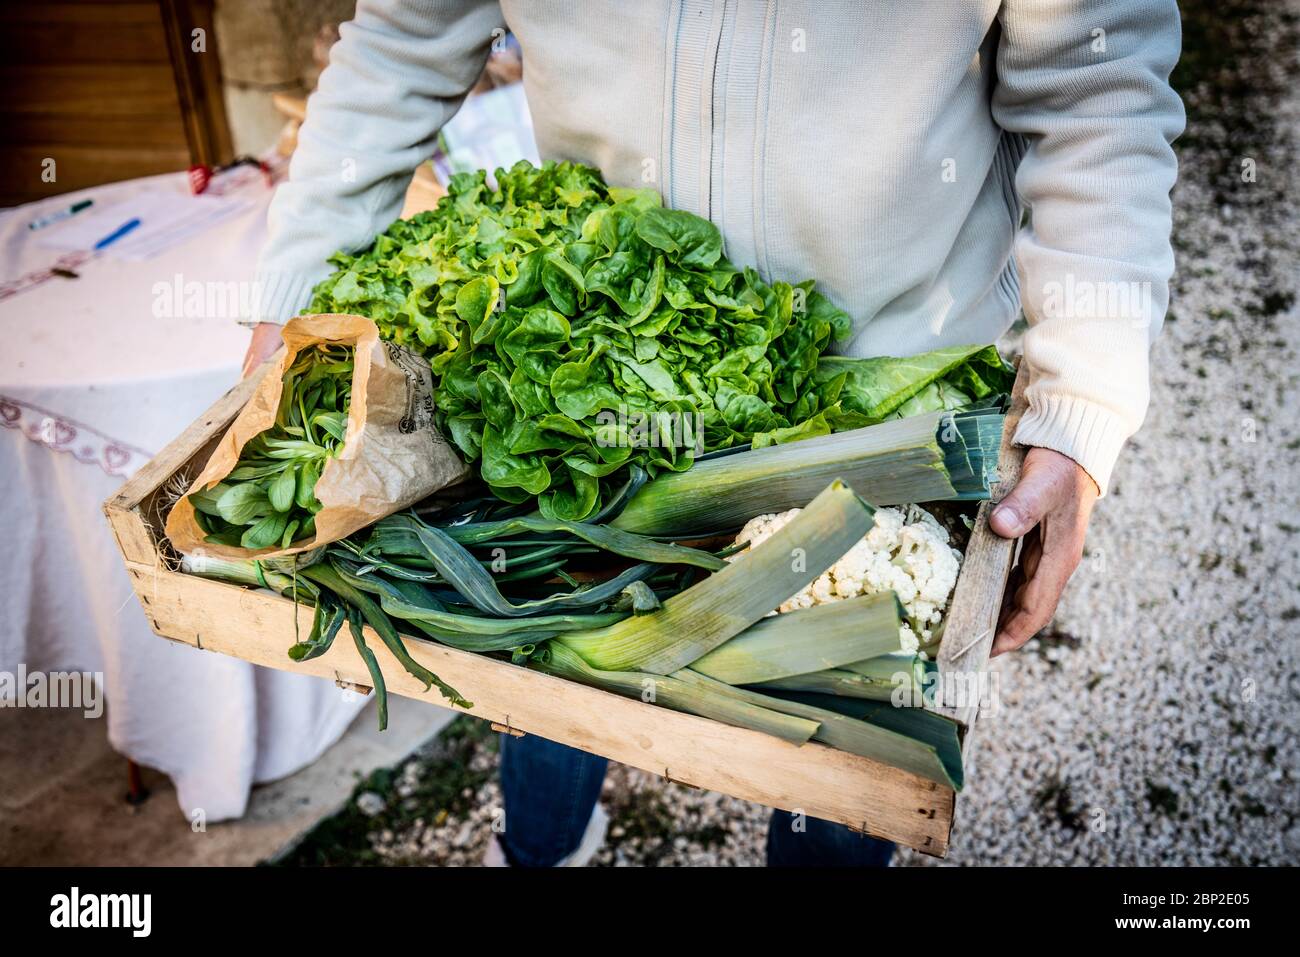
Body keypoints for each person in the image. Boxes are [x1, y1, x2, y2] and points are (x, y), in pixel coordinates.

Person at [243, 0, 1184, 866]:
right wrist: (292, 290)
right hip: (587, 377)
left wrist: (1084, 401)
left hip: (884, 400)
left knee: (846, 755)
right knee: (544, 633)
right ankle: (537, 851)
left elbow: (1098, 87)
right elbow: (405, 36)